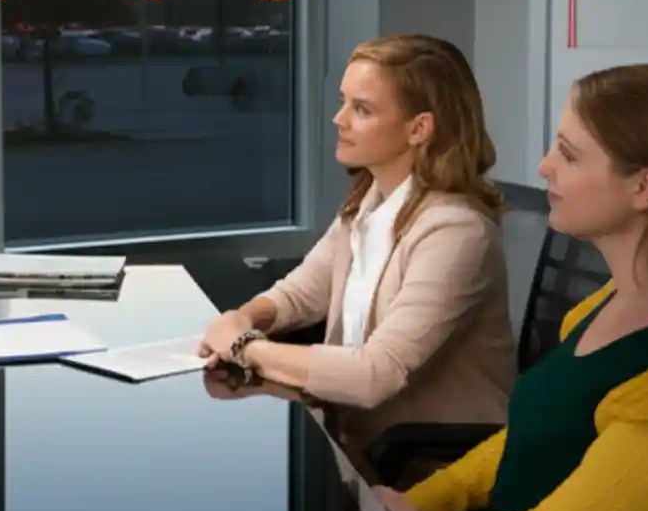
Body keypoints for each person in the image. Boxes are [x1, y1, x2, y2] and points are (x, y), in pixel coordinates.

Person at [373, 63, 648, 511]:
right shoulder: (598, 306)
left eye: (569, 154)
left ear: (644, 187)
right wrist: (423, 502)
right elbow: (533, 437)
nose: (543, 167)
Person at [199, 33, 516, 469]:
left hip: (428, 464)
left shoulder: (457, 231)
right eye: (343, 101)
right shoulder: (369, 199)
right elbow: (301, 294)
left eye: (361, 109)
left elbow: (375, 375)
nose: (338, 119)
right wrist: (248, 316)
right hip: (352, 439)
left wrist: (245, 347)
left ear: (419, 128)